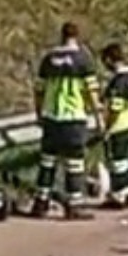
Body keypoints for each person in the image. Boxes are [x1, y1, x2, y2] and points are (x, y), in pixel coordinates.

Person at [30, 22, 102, 220]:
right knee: (74, 163)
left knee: (47, 162)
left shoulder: (48, 59)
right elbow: (91, 92)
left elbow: (38, 91)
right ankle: (74, 205)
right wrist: (99, 119)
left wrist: (39, 114)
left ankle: (40, 202)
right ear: (77, 37)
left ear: (61, 36)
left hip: (52, 117)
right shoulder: (83, 60)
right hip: (73, 118)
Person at [99, 41, 128, 210]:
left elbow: (115, 109)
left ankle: (120, 195)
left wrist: (107, 128)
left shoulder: (119, 83)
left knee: (117, 162)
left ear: (111, 60)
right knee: (123, 161)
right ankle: (124, 192)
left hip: (120, 126)